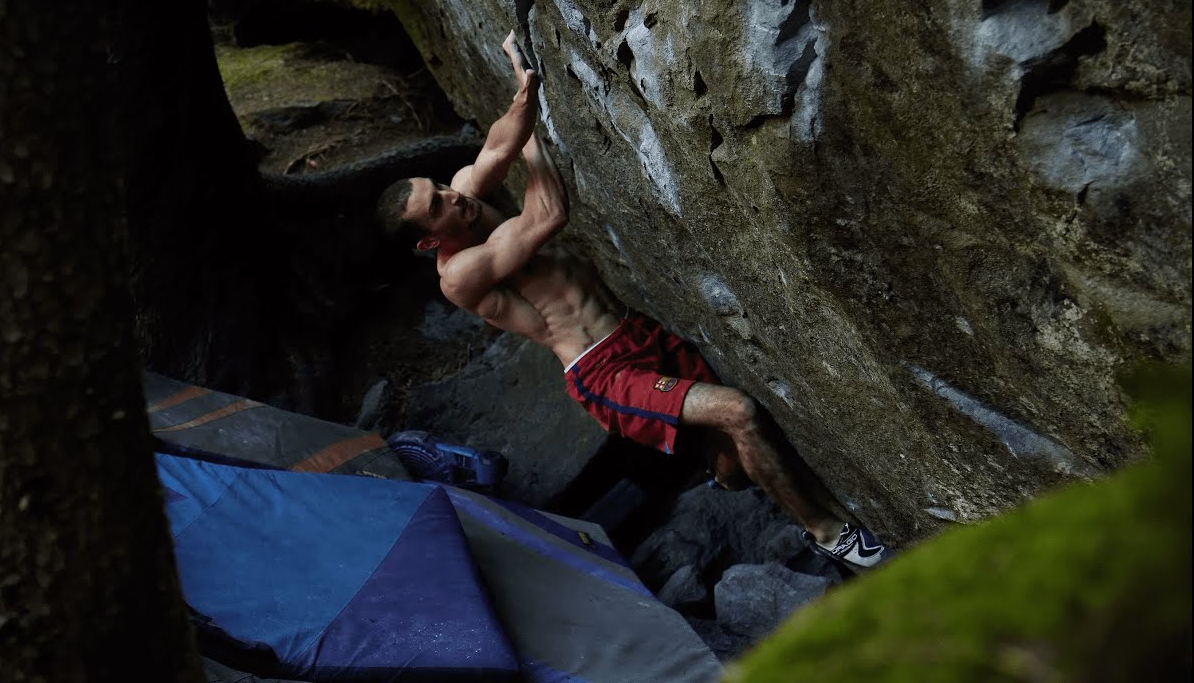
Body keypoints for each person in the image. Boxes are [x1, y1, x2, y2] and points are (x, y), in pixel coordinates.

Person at [376, 31, 886, 572]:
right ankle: (828, 534)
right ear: (430, 240)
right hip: (605, 372)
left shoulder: (463, 197)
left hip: (633, 330)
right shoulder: (459, 276)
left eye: (440, 186)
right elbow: (547, 216)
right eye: (438, 205)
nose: (453, 194)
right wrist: (533, 125)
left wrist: (522, 86)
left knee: (733, 463)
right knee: (738, 411)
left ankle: (725, 474)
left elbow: (499, 144)